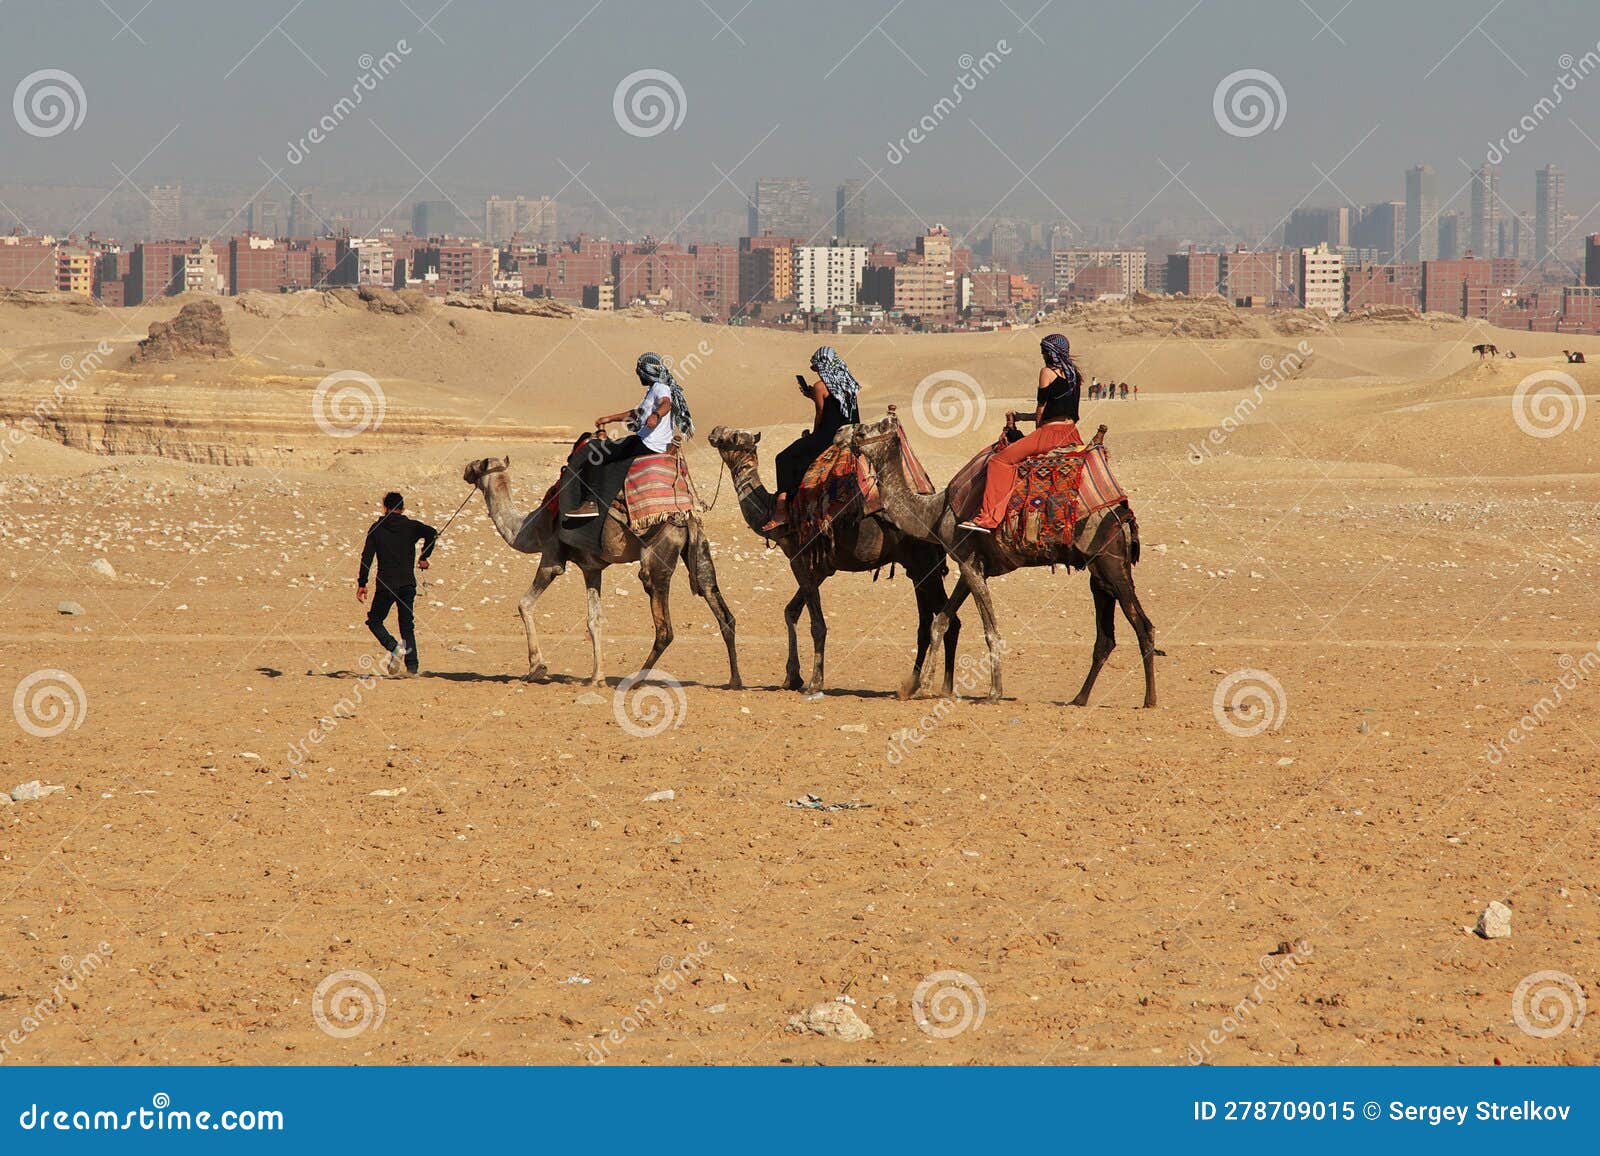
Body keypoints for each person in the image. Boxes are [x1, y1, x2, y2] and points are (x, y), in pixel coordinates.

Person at [958, 333, 1083, 534]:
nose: (1043, 355)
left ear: (1050, 353)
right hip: (1071, 433)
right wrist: (1021, 416)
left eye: (1044, 352)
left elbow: (1042, 409)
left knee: (998, 462)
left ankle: (988, 518)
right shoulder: (1074, 375)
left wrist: (1036, 433)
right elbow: (1059, 410)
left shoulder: (1047, 372)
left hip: (1049, 434)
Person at [570, 352, 694, 518]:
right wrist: (610, 418)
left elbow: (666, 404)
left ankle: (590, 503)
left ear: (645, 373)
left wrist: (656, 416)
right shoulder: (654, 390)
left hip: (647, 443)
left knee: (596, 456)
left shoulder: (660, 388)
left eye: (639, 373)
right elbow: (637, 414)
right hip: (650, 441)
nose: (638, 376)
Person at [761, 346, 861, 534]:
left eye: (815, 368)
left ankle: (781, 509)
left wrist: (814, 436)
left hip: (831, 437)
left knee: (783, 458)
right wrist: (813, 396)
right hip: (852, 434)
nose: (814, 371)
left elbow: (821, 414)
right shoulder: (850, 384)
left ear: (822, 367)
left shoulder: (819, 386)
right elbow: (838, 407)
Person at [357, 491, 438, 676]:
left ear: (384, 507)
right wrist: (424, 556)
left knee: (375, 620)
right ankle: (412, 669)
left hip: (386, 584)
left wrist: (362, 583)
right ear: (402, 508)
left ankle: (394, 647)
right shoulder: (411, 526)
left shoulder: (376, 528)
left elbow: (366, 558)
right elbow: (432, 533)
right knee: (407, 626)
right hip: (408, 584)